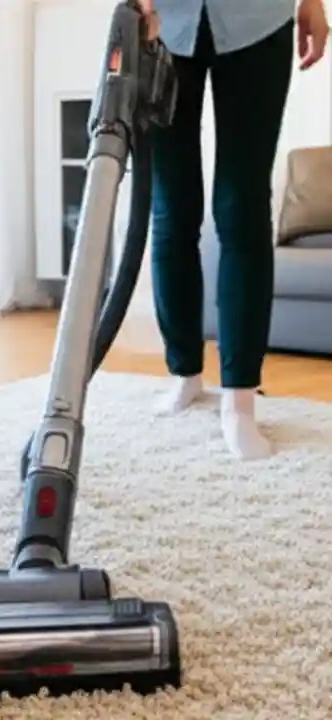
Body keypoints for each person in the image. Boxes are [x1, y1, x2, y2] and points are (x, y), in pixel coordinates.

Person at [135, 0, 328, 459]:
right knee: (171, 209)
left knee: (242, 207)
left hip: (258, 20)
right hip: (161, 25)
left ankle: (240, 398)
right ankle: (184, 373)